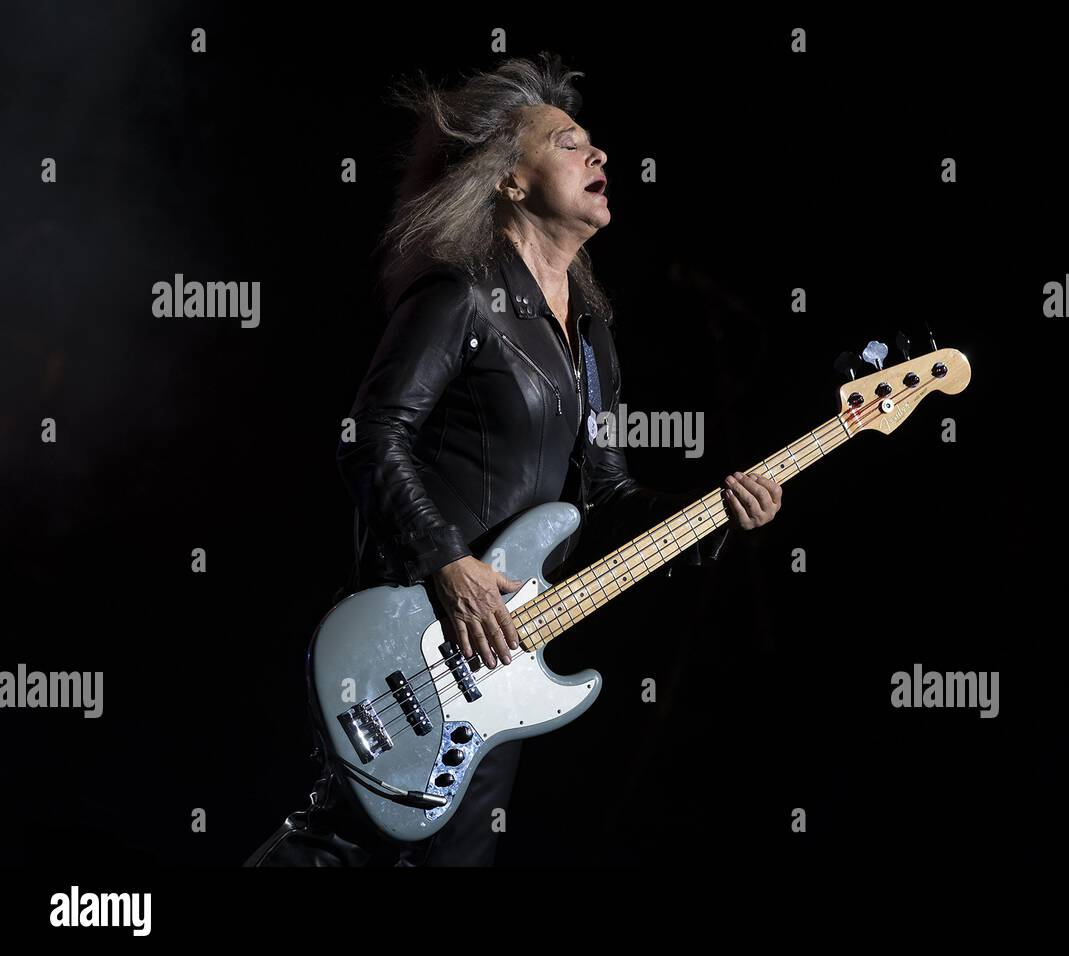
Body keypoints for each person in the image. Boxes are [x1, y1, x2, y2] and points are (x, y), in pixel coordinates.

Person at [244, 52, 782, 867]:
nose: (599, 156)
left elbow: (604, 494)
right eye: (570, 143)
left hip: (500, 665)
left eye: (595, 144)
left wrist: (713, 513)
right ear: (511, 181)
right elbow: (370, 434)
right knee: (339, 848)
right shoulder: (459, 295)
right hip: (414, 639)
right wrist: (448, 565)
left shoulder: (592, 340)